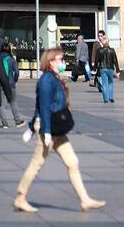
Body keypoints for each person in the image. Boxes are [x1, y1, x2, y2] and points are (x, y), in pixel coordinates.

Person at [14, 47, 105, 213]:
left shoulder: (54, 78)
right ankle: (20, 197)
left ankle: (84, 200)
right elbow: (44, 107)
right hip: (49, 128)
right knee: (36, 164)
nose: (63, 62)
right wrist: (44, 131)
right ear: (51, 62)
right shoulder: (47, 81)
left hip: (56, 128)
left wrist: (31, 127)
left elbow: (41, 105)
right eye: (60, 59)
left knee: (72, 162)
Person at [0, 42, 25, 129]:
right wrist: (14, 80)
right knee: (13, 102)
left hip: (1, 83)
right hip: (10, 83)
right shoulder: (12, 60)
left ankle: (4, 123)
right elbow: (16, 72)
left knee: (1, 104)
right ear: (9, 49)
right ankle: (17, 121)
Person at [95, 36, 119, 104]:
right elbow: (115, 60)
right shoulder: (112, 50)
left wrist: (95, 67)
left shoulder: (99, 50)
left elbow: (97, 60)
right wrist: (117, 69)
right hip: (110, 68)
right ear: (108, 42)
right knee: (110, 82)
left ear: (102, 43)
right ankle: (111, 98)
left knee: (104, 84)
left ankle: (105, 99)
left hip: (102, 68)